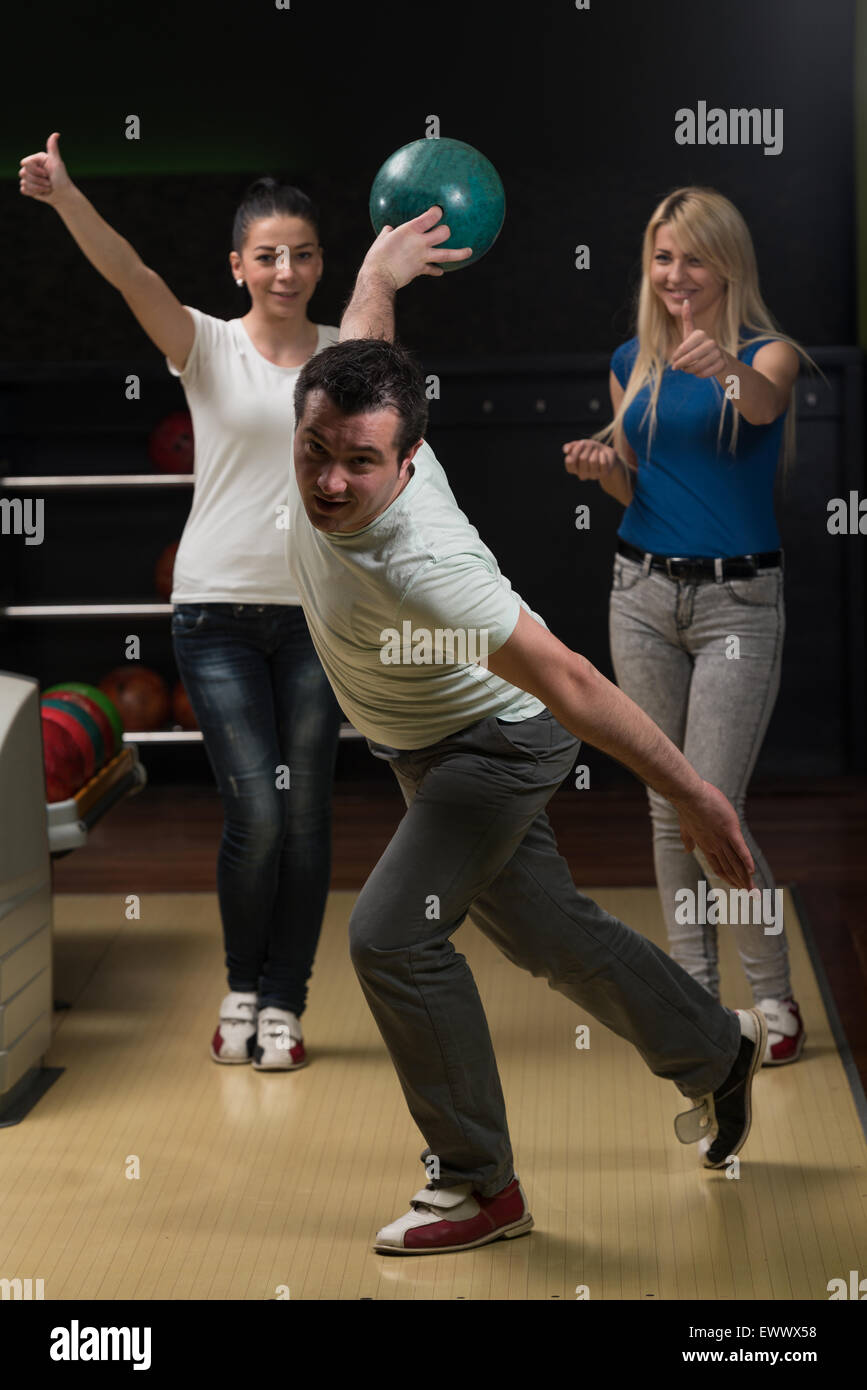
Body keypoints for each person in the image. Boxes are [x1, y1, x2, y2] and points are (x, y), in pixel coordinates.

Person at [281, 209, 768, 1255]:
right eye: (315, 451)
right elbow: (363, 350)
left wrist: (696, 795)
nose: (329, 482)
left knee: (391, 936)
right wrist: (376, 268)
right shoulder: (349, 408)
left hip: (496, 740)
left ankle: (478, 1186)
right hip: (423, 743)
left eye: (358, 464)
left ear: (408, 461)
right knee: (547, 931)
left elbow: (571, 683)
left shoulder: (429, 566)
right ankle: (715, 1049)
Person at [19, 132, 351, 1070]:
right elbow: (129, 273)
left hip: (320, 621)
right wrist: (67, 196)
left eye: (304, 253)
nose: (286, 270)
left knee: (309, 813)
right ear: (239, 265)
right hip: (214, 616)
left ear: (321, 263)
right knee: (257, 813)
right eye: (268, 254)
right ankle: (242, 987)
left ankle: (286, 1003)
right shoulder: (202, 343)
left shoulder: (347, 354)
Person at [563, 187, 812, 1066]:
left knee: (716, 806)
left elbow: (760, 409)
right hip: (639, 593)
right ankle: (696, 1002)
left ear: (727, 265)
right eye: (662, 258)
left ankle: (773, 1001)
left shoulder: (766, 354)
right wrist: (604, 473)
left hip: (735, 603)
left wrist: (723, 370)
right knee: (670, 809)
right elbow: (643, 484)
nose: (675, 274)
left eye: (692, 258)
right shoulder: (631, 358)